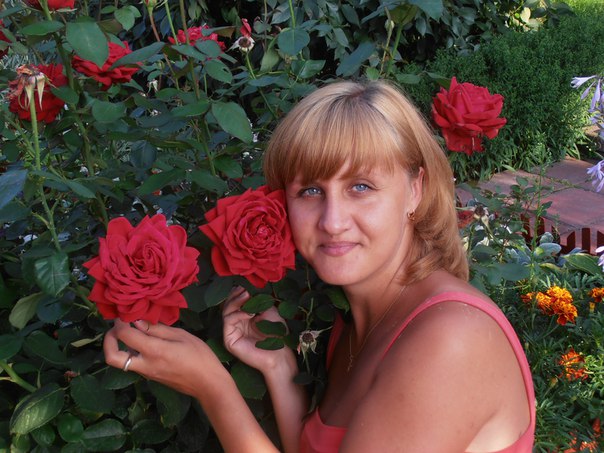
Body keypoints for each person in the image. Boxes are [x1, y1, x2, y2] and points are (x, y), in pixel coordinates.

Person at [104, 80, 535, 452]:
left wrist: (212, 387)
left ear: (415, 190)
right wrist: (279, 368)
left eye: (361, 187)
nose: (332, 221)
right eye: (310, 191)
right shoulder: (353, 320)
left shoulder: (451, 340)